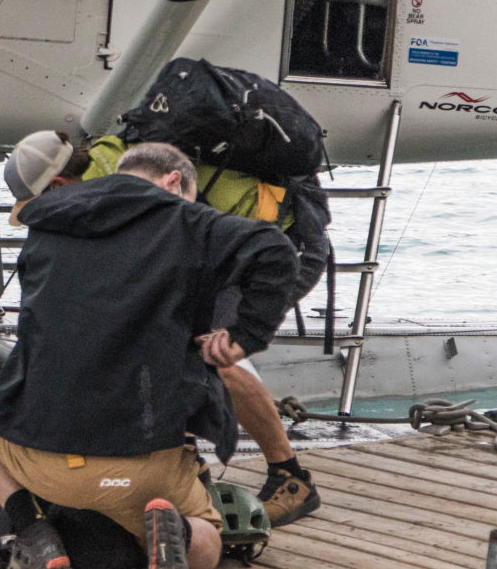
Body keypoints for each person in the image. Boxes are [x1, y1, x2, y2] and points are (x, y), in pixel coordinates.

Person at [0, 138, 298, 569]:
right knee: (208, 541)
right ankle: (176, 528)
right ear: (175, 182)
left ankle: (31, 530)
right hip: (142, 470)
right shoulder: (186, 221)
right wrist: (243, 336)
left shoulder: (48, 224)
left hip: (45, 460)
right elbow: (274, 250)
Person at [77, 133, 330, 526]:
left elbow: (268, 253)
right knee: (162, 343)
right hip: (211, 253)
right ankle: (192, 471)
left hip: (280, 249)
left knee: (218, 359)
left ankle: (292, 478)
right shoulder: (107, 173)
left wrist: (244, 336)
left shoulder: (109, 174)